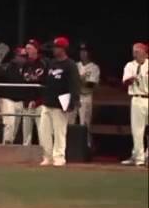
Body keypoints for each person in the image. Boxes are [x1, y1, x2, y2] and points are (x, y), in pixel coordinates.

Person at [36, 36, 81, 167]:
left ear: (63, 49)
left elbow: (74, 85)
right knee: (44, 132)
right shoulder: (51, 63)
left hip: (61, 103)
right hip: (47, 102)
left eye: (57, 47)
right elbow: (46, 81)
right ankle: (47, 156)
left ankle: (59, 157)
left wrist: (72, 102)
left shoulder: (70, 65)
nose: (54, 49)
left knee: (59, 132)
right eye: (54, 47)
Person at [0, 48, 30, 145]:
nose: (24, 59)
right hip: (7, 98)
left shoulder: (28, 68)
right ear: (15, 57)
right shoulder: (5, 67)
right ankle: (6, 144)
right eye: (22, 56)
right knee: (9, 123)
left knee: (16, 125)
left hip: (20, 99)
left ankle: (9, 144)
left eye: (26, 56)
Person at [120, 42, 148, 166]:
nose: (135, 53)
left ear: (144, 52)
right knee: (137, 130)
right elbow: (125, 82)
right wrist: (132, 78)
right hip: (137, 98)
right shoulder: (130, 65)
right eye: (134, 51)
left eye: (137, 51)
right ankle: (139, 158)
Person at [19, 40, 46, 147]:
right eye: (26, 48)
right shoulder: (25, 64)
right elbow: (22, 82)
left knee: (42, 130)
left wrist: (38, 101)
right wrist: (26, 100)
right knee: (26, 131)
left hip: (39, 102)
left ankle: (44, 152)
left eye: (29, 48)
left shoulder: (43, 63)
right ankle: (25, 153)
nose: (27, 50)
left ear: (36, 49)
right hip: (27, 102)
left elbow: (44, 83)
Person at [75, 43, 100, 132]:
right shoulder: (75, 65)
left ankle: (85, 144)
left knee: (84, 124)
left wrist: (80, 80)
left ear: (89, 53)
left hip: (86, 97)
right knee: (70, 122)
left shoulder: (94, 68)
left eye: (85, 51)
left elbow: (91, 85)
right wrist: (80, 80)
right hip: (74, 97)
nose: (83, 53)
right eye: (81, 51)